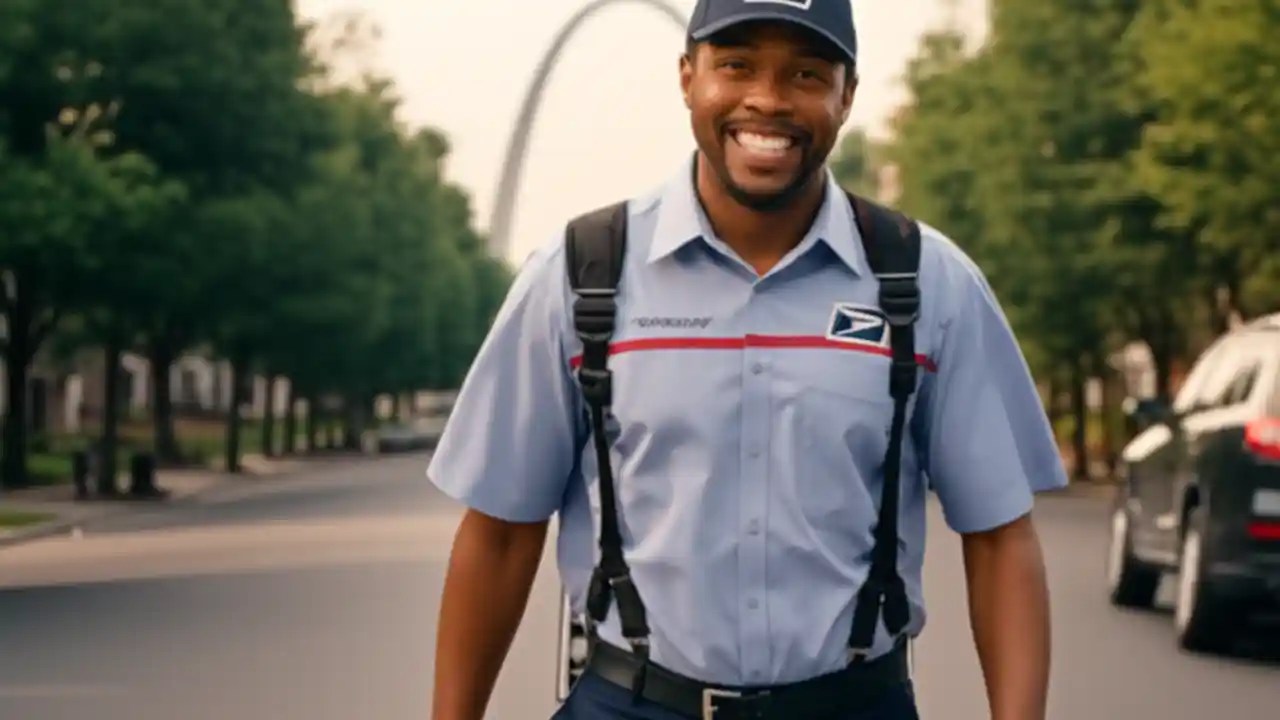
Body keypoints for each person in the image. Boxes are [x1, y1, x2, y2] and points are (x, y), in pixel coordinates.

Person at [428, 1, 1067, 718]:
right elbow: (500, 535)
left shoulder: (928, 285)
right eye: (735, 65)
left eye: (804, 73)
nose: (767, 99)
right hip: (631, 702)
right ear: (687, 76)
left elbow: (1000, 538)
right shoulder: (580, 276)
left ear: (846, 95)